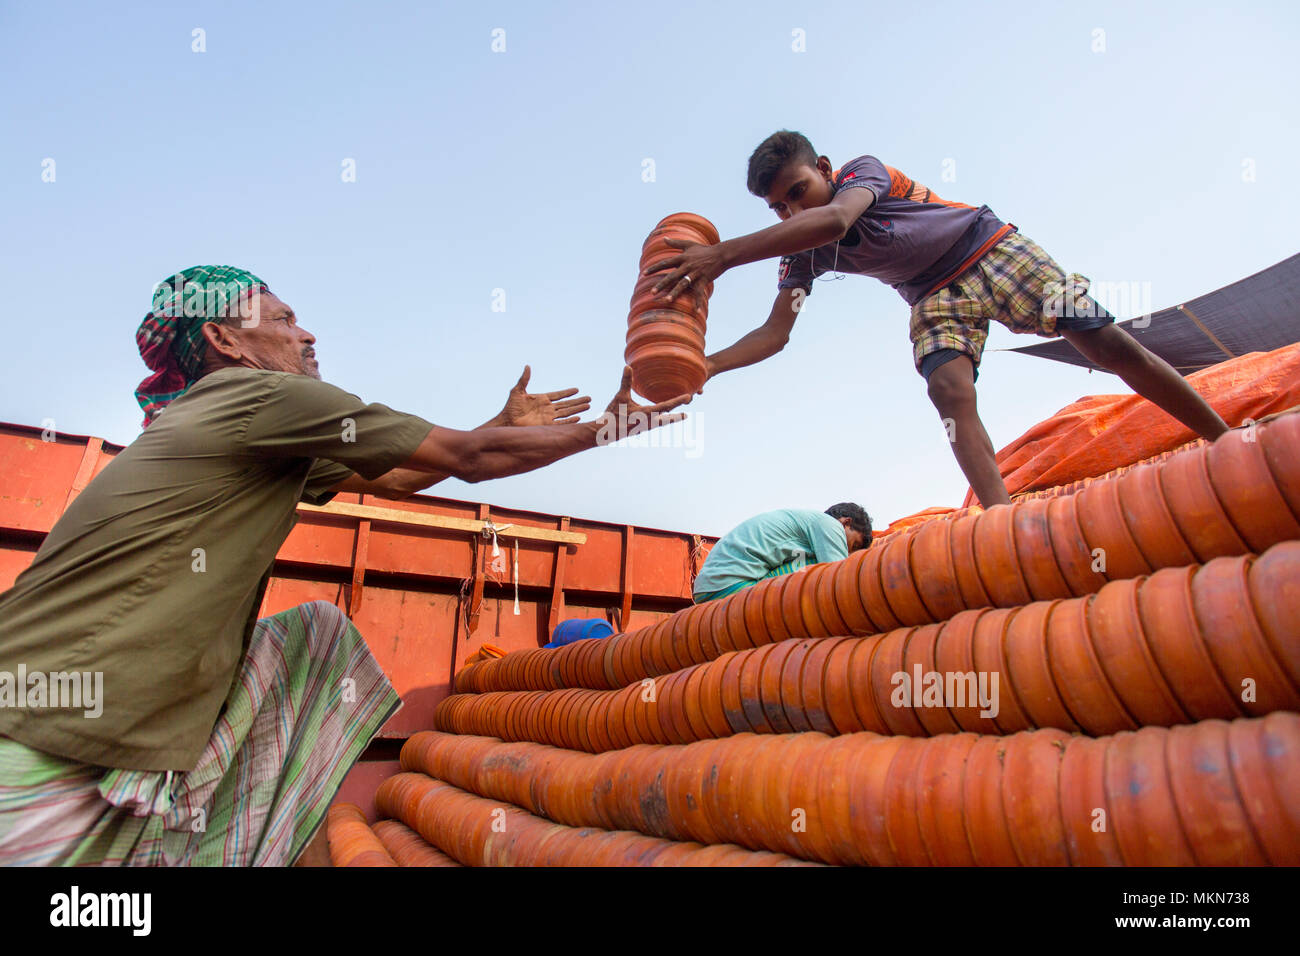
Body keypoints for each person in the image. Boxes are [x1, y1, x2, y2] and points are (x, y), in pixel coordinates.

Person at [0, 265, 688, 867]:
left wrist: (497, 425)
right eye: (285, 319)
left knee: (315, 640)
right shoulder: (260, 398)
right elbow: (474, 464)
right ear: (226, 341)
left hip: (49, 707)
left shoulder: (241, 425)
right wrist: (615, 424)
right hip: (45, 735)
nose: (308, 335)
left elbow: (394, 476)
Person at [645, 130, 1230, 507]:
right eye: (778, 207)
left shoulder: (860, 174)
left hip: (988, 246)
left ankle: (1224, 440)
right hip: (932, 295)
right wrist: (705, 365)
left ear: (823, 167)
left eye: (797, 191)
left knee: (1104, 342)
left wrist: (722, 254)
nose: (792, 209)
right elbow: (777, 332)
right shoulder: (799, 253)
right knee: (949, 390)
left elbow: (834, 221)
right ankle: (1002, 520)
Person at [692, 503, 872, 603]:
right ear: (846, 523)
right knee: (821, 571)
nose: (848, 552)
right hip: (729, 585)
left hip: (709, 588)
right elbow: (839, 579)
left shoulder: (806, 522)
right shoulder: (829, 524)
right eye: (854, 544)